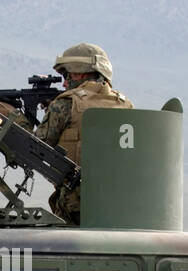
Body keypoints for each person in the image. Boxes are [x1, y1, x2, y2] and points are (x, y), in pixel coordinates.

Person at [35, 43, 132, 224]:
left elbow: (36, 147)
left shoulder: (65, 104)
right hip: (119, 206)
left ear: (80, 73)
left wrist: (16, 118)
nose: (64, 83)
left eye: (67, 75)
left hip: (76, 206)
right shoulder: (125, 105)